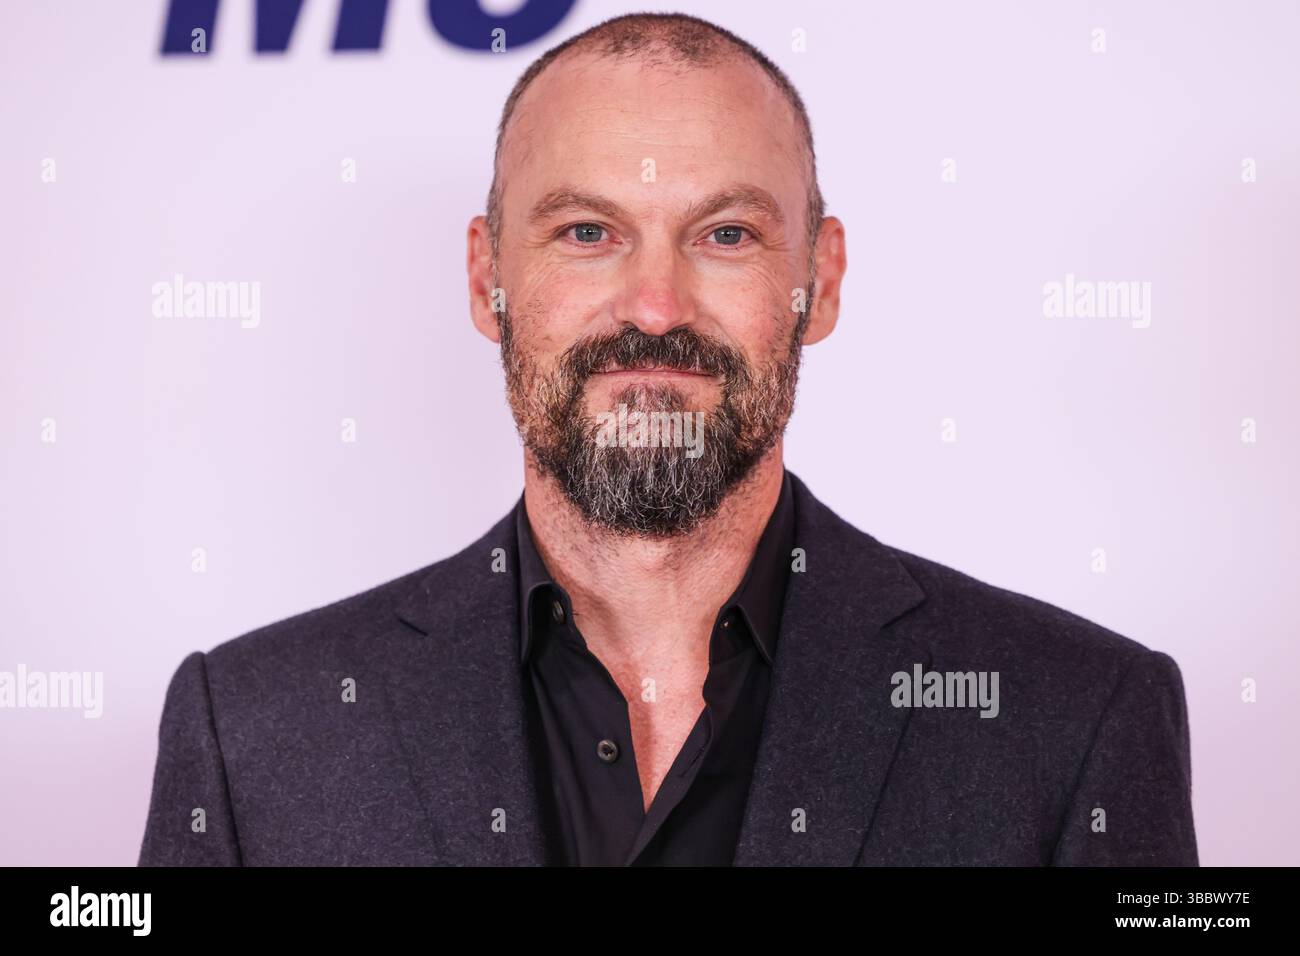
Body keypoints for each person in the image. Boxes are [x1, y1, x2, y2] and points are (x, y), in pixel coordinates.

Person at [139, 12, 1197, 867]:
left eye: (725, 233)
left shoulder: (1075, 716)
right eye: (586, 233)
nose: (653, 305)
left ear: (818, 282)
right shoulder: (253, 732)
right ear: (484, 278)